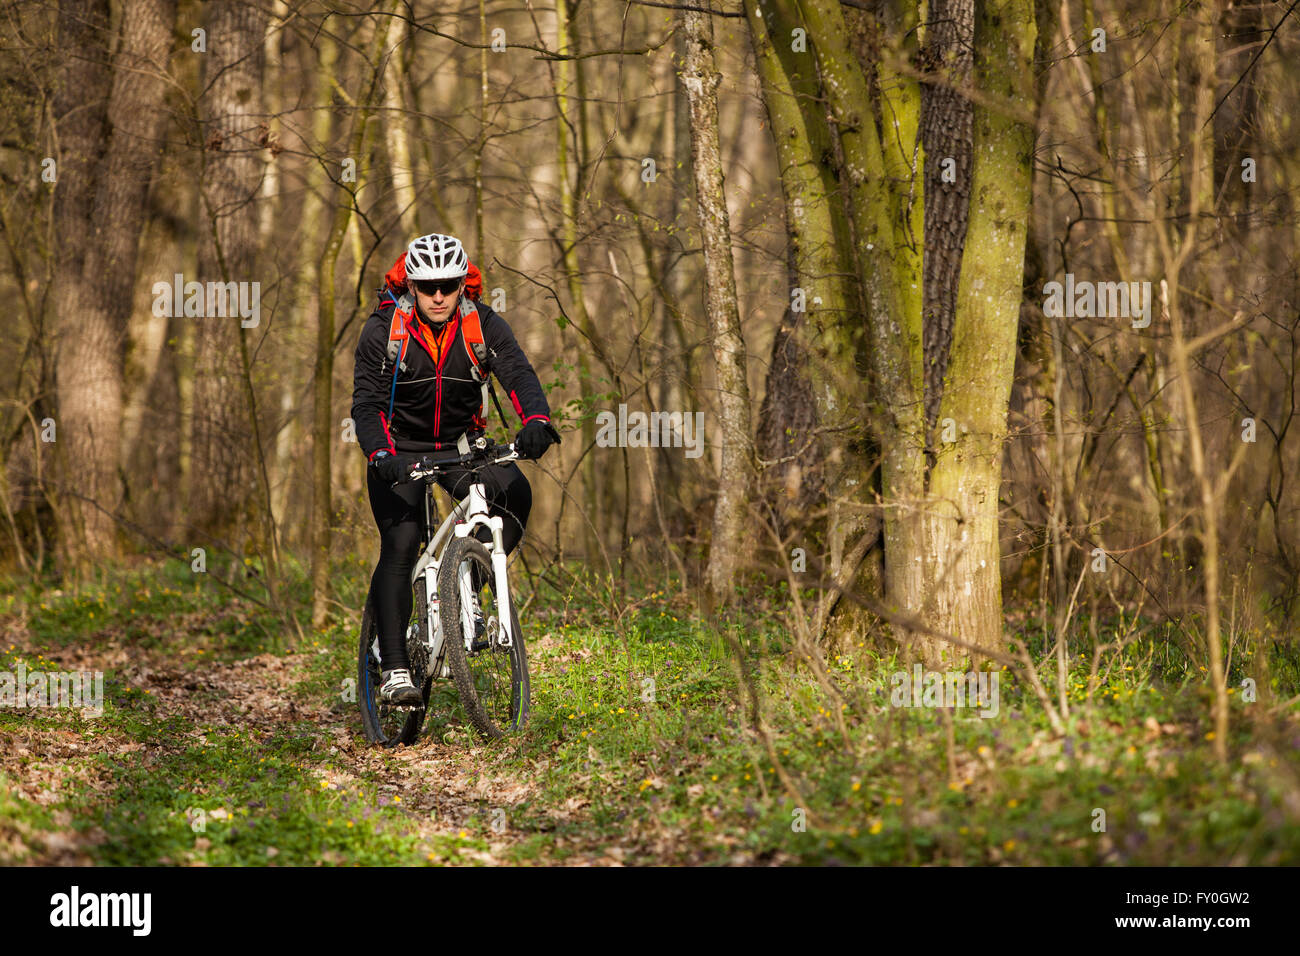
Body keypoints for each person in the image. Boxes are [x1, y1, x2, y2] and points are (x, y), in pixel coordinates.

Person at [351, 233, 559, 705]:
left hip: (463, 446)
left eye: (449, 284)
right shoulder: (385, 331)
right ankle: (396, 666)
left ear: (464, 283)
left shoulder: (482, 324)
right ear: (412, 286)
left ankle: (465, 574)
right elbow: (366, 405)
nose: (440, 296)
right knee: (402, 544)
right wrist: (382, 456)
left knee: (515, 496)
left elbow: (519, 374)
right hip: (400, 450)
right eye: (429, 287)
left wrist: (537, 420)